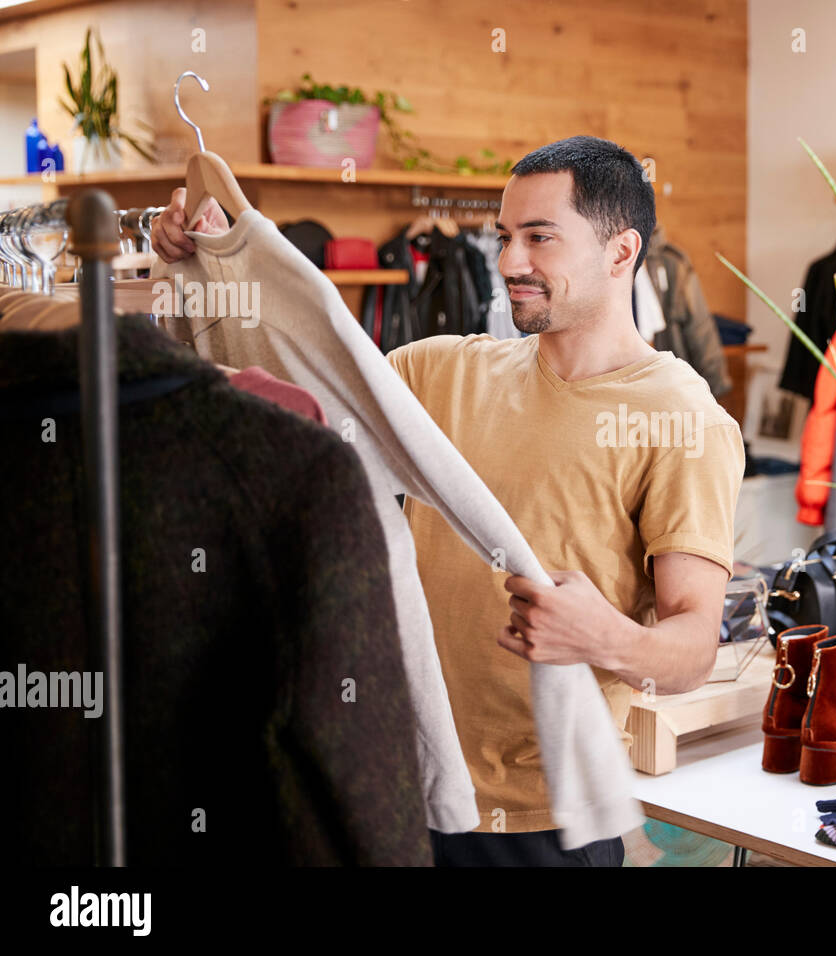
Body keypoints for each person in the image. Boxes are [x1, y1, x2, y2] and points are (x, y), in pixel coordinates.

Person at [152, 135, 746, 867]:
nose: (507, 263)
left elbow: (692, 649)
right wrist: (199, 269)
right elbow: (276, 382)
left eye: (539, 238)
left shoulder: (682, 418)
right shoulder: (441, 371)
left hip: (540, 821)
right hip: (399, 781)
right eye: (503, 236)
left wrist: (601, 636)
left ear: (621, 251)